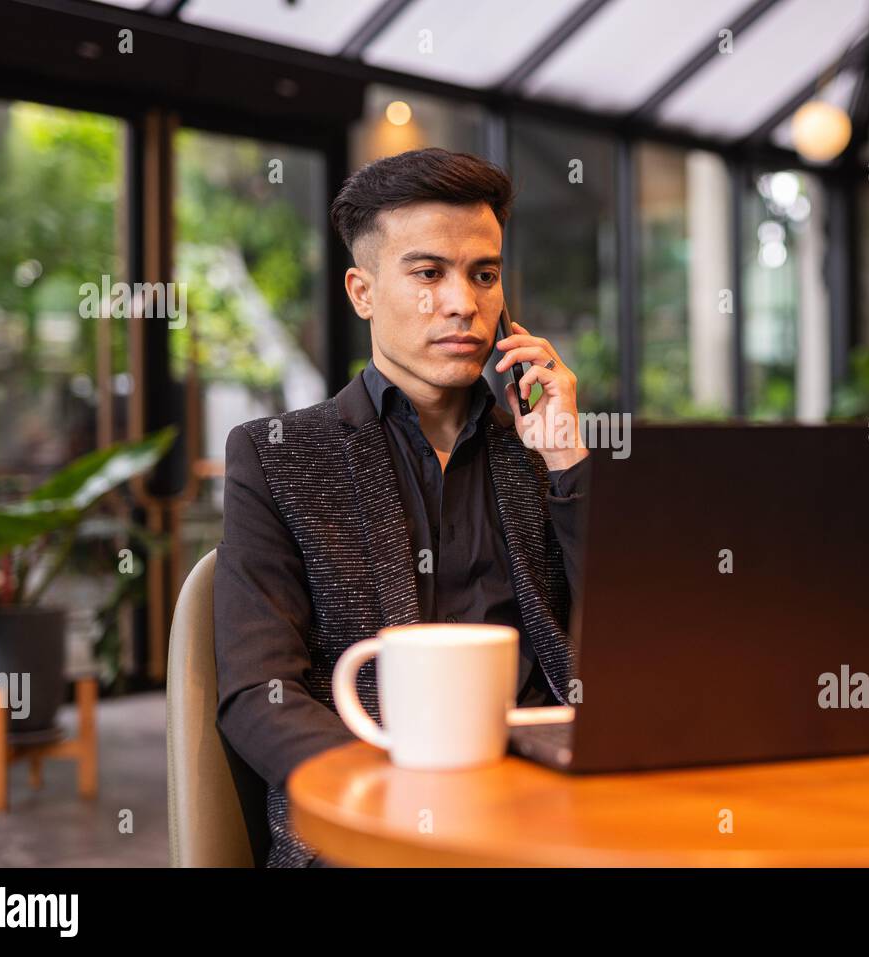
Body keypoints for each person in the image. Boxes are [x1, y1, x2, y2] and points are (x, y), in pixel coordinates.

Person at [213, 148, 589, 867]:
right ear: (361, 291)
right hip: (373, 818)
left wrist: (568, 458)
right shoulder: (279, 455)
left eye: (484, 274)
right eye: (428, 272)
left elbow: (632, 642)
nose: (462, 302)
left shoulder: (538, 445)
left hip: (549, 804)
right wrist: (383, 797)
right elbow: (257, 690)